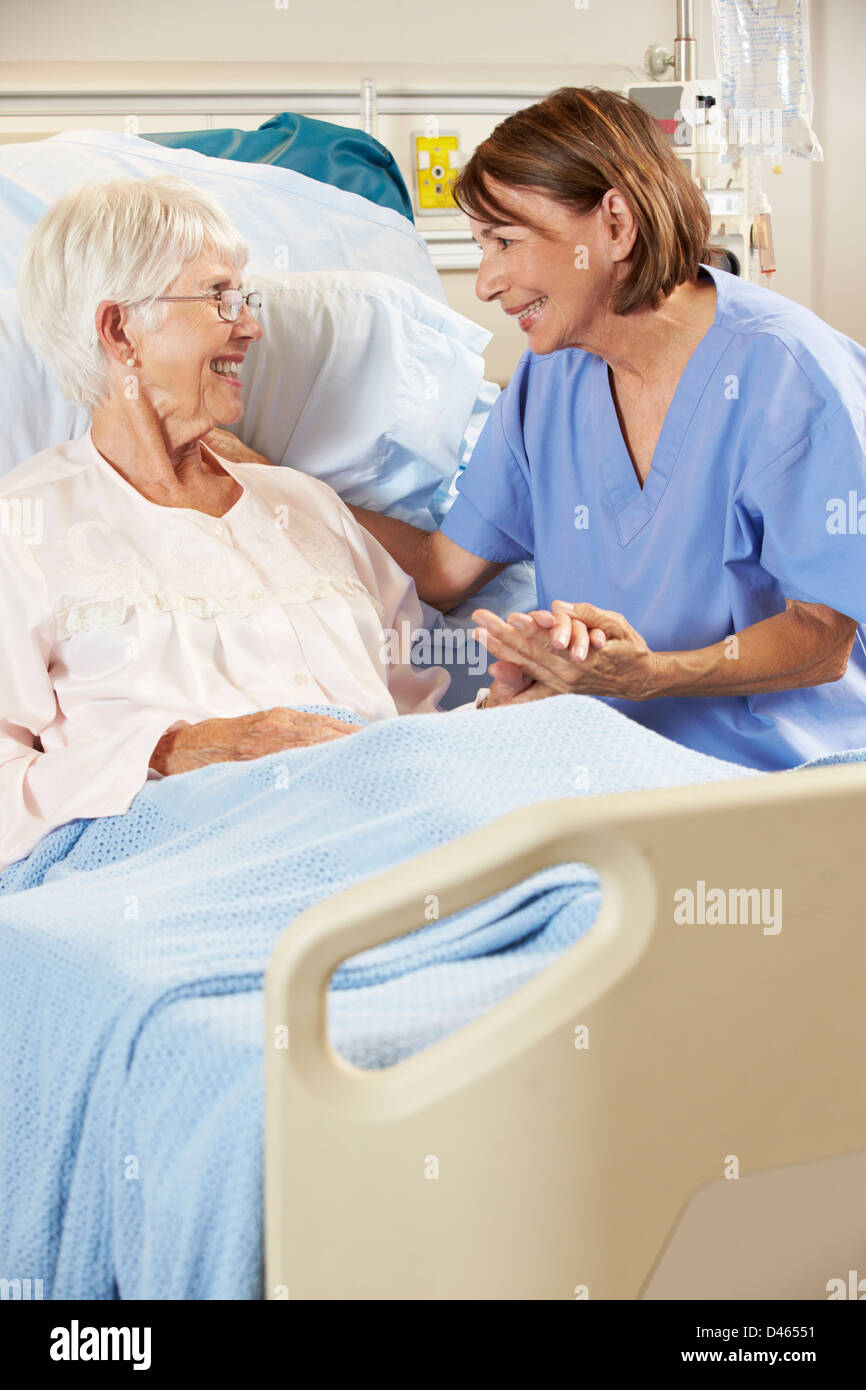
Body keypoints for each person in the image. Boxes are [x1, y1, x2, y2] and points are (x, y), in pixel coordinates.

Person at [350, 86, 866, 771]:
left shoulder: (787, 373)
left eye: (505, 241)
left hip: (781, 777)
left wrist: (650, 675)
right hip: (606, 766)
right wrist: (263, 485)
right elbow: (443, 572)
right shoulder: (550, 380)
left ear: (615, 225)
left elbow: (823, 638)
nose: (486, 282)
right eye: (481, 246)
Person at [0, 176, 448, 871]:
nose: (251, 325)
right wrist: (181, 749)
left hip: (397, 835)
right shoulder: (24, 528)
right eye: (220, 298)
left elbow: (425, 723)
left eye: (245, 297)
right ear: (121, 330)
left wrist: (510, 698)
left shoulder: (308, 507)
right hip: (185, 865)